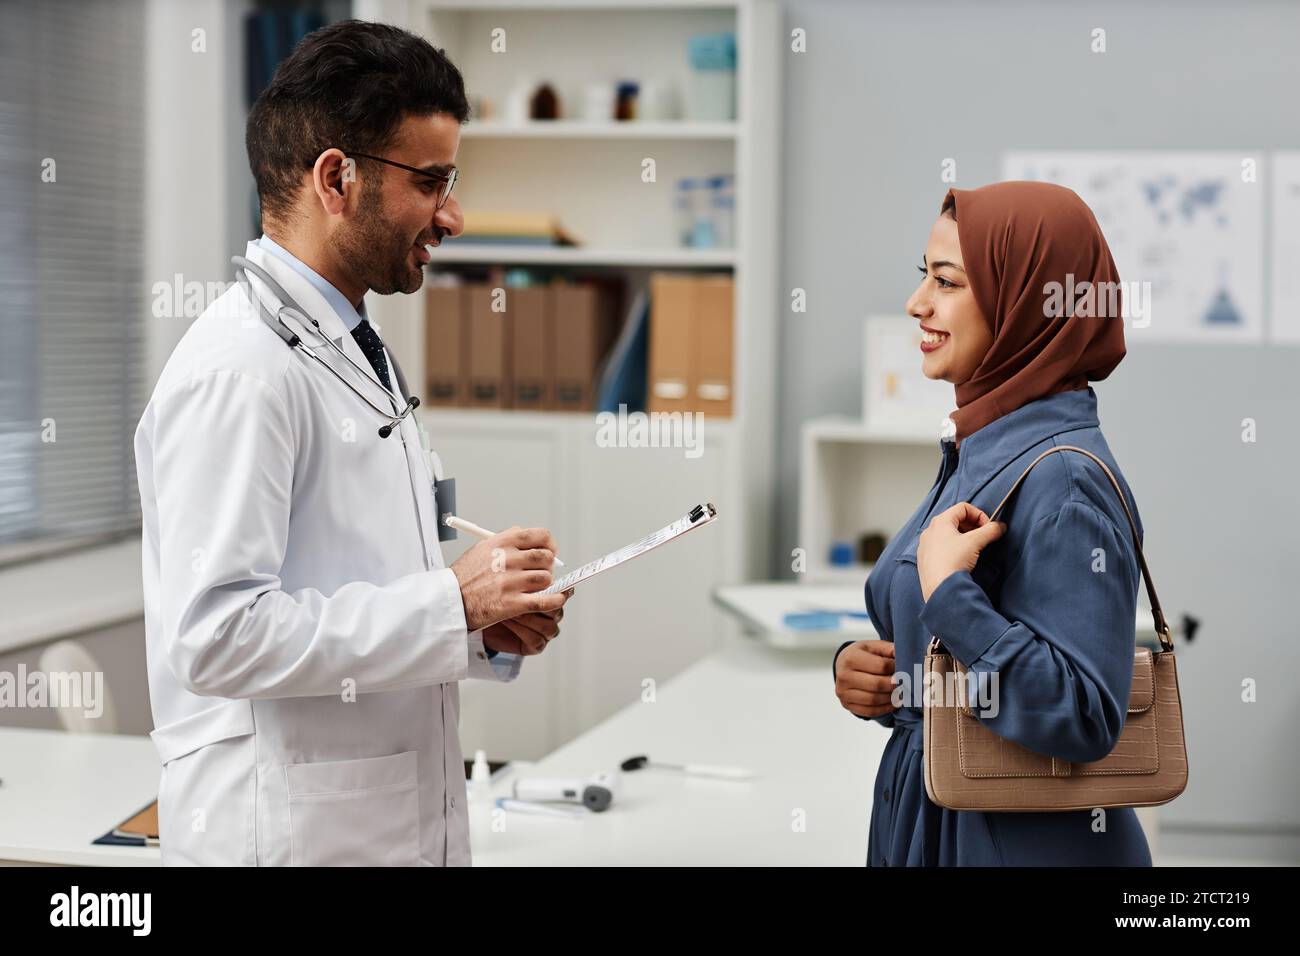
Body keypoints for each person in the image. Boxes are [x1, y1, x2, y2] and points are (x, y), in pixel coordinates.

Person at [134, 20, 569, 866]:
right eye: (432, 181)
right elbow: (217, 634)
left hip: (376, 825)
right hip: (286, 834)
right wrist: (453, 604)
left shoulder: (347, 347)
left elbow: (349, 590)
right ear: (336, 178)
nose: (454, 214)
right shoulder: (240, 370)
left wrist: (480, 629)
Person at [832, 181, 1152, 866]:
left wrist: (950, 596)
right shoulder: (980, 448)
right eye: (924, 277)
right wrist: (885, 682)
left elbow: (1084, 714)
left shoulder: (1064, 477)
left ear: (1023, 303)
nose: (917, 303)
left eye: (947, 283)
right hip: (938, 822)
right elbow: (970, 667)